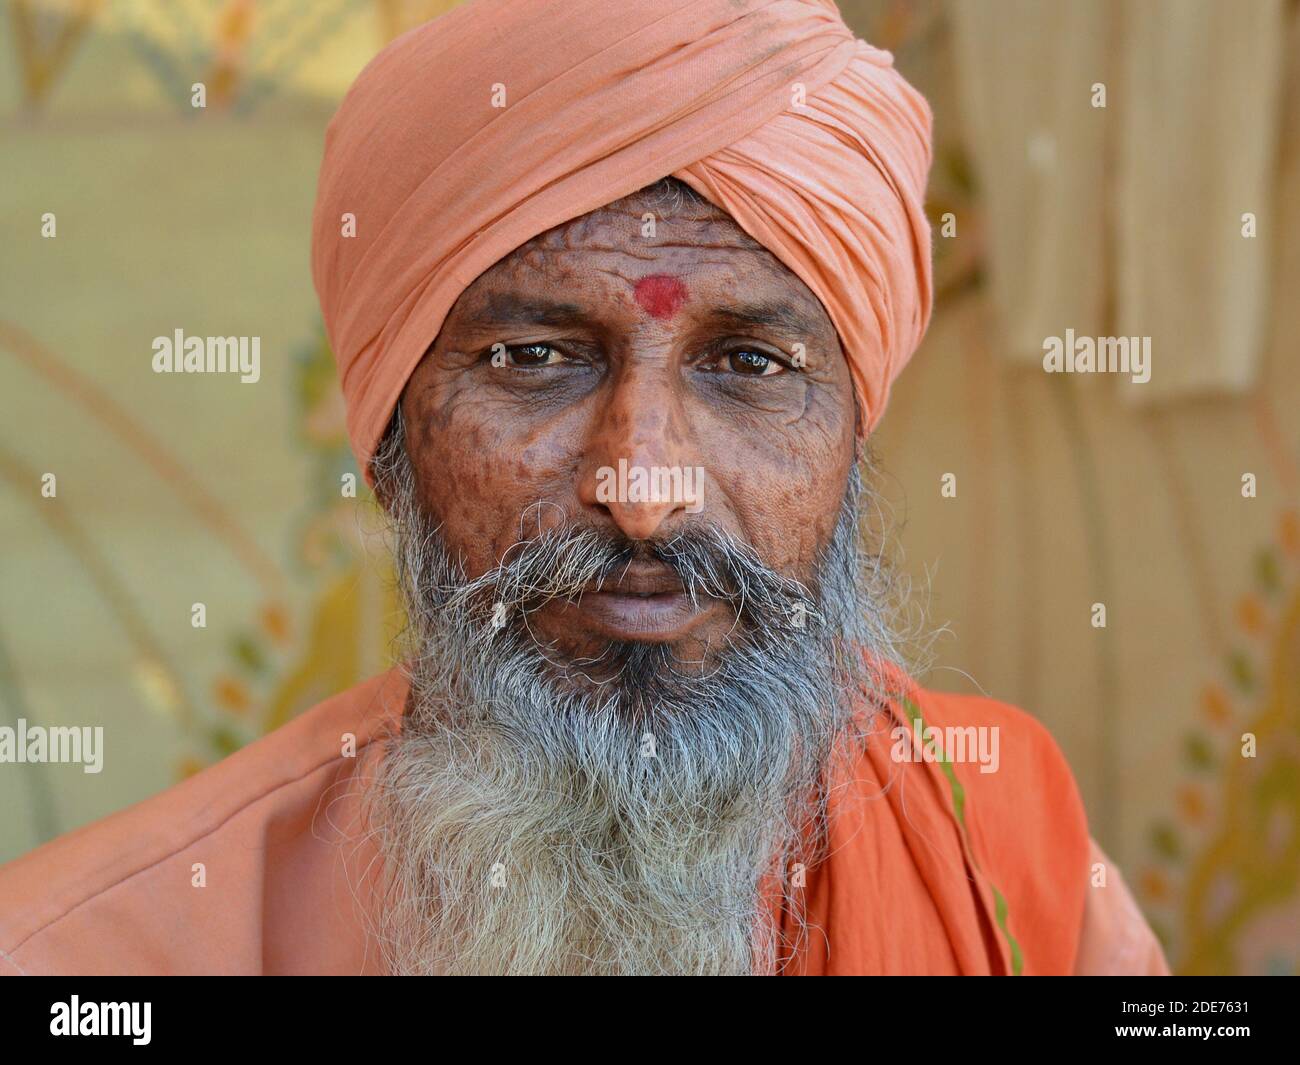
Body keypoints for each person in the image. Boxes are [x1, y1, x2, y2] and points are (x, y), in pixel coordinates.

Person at [0, 0, 1168, 976]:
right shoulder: (96, 954)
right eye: (533, 360)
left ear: (852, 435)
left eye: (750, 365)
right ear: (391, 437)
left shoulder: (1003, 847)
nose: (645, 491)